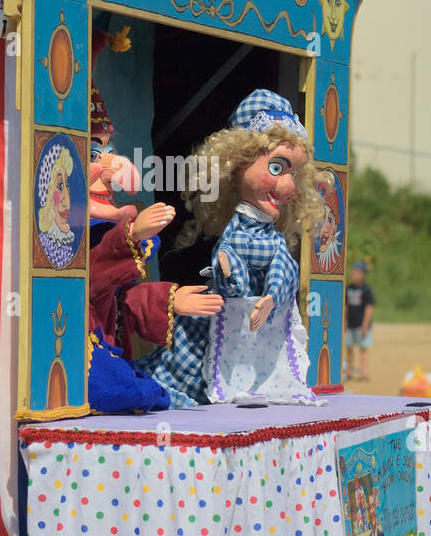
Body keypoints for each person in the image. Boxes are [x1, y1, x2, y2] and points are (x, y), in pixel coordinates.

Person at [137, 89, 324, 407]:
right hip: (227, 316)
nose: (289, 186)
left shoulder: (271, 237)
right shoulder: (237, 233)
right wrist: (230, 271)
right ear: (235, 165)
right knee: (195, 357)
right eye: (277, 169)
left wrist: (273, 295)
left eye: (293, 173)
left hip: (257, 325)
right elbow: (229, 260)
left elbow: (283, 265)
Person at [345, 260, 374, 381]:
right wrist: (344, 322)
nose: (355, 275)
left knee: (363, 349)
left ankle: (363, 373)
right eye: (354, 272)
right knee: (349, 349)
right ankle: (349, 372)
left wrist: (365, 325)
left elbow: (369, 308)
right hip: (350, 324)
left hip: (361, 325)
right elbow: (345, 306)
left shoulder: (366, 290)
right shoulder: (348, 288)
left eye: (358, 272)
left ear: (363, 275)